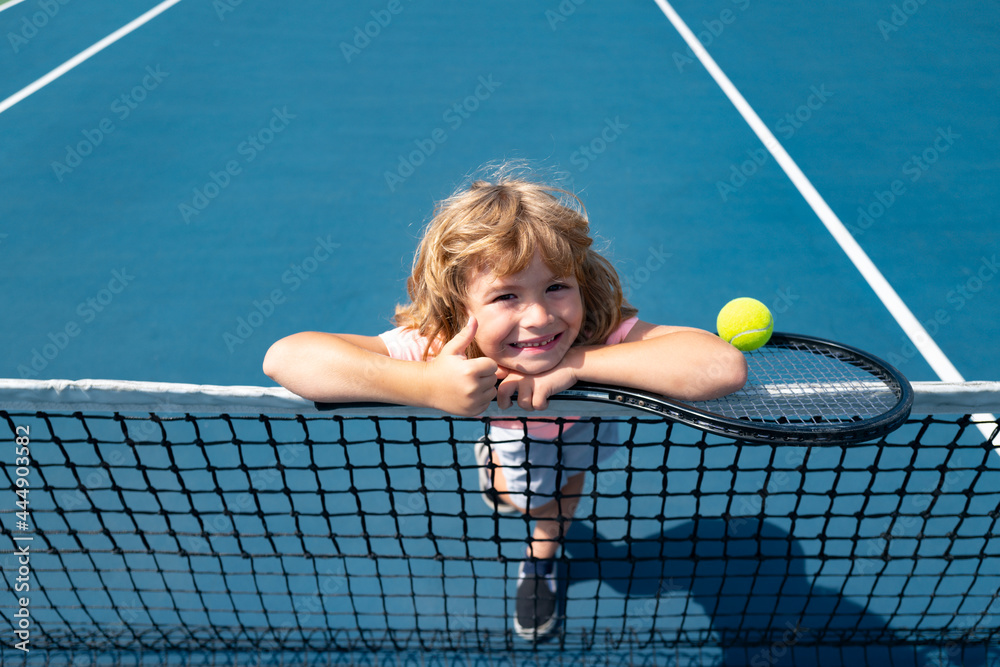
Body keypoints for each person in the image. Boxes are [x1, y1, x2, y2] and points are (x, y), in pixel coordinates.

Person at [262, 165, 747, 641]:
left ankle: (541, 560)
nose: (539, 316)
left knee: (570, 476)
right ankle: (501, 477)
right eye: (506, 296)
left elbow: (721, 367)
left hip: (587, 425)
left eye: (557, 286)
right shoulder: (443, 342)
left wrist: (577, 366)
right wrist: (427, 384)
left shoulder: (598, 330)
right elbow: (288, 358)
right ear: (458, 306)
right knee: (527, 498)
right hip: (518, 438)